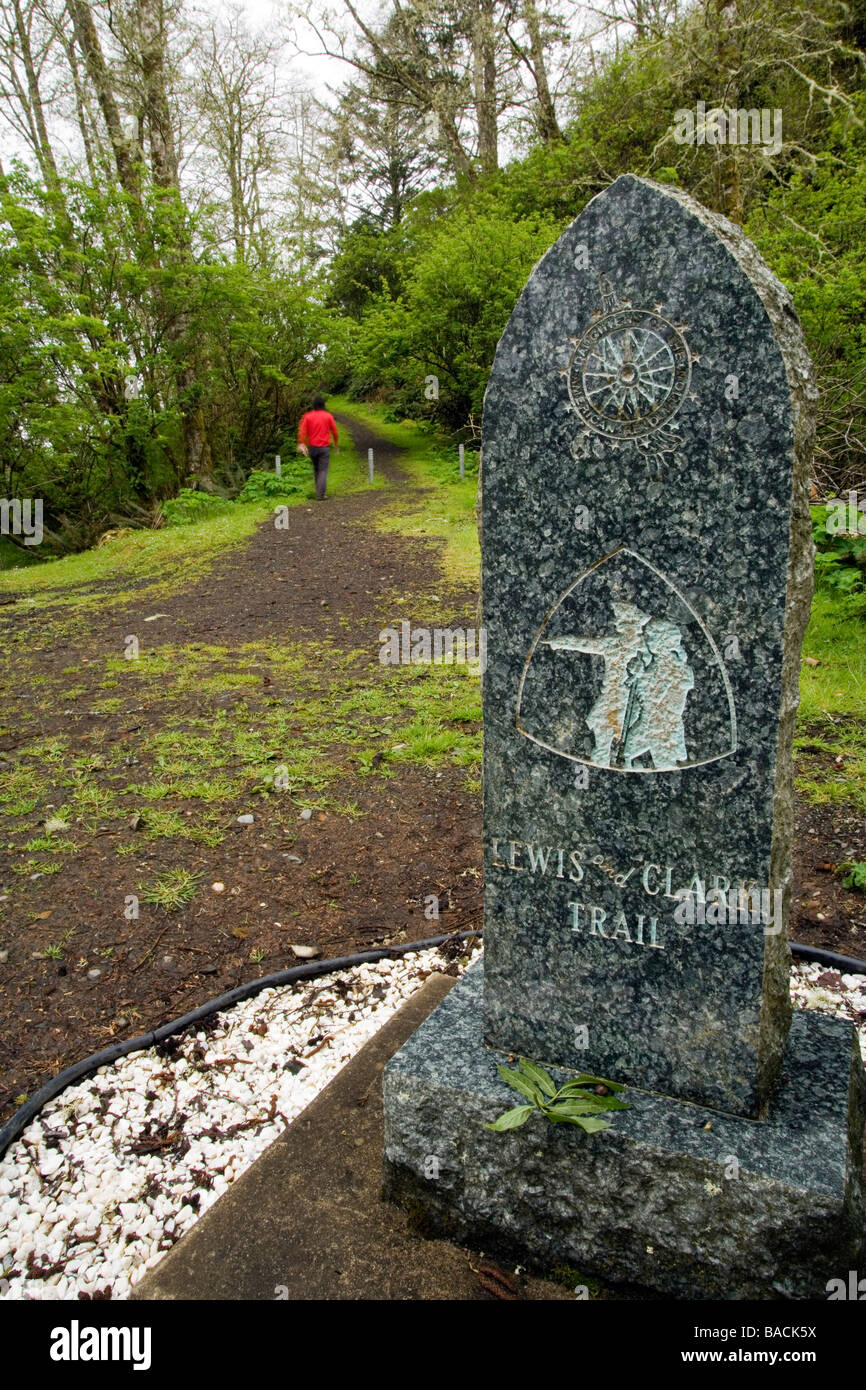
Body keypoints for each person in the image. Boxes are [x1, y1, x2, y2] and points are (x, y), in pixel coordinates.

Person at [297, 395, 339, 500]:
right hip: (324, 447)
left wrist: (302, 443)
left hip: (312, 447)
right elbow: (334, 431)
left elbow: (303, 431)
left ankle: (319, 491)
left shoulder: (308, 416)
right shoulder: (328, 416)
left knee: (316, 469)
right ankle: (320, 494)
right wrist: (336, 444)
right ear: (323, 404)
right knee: (323, 470)